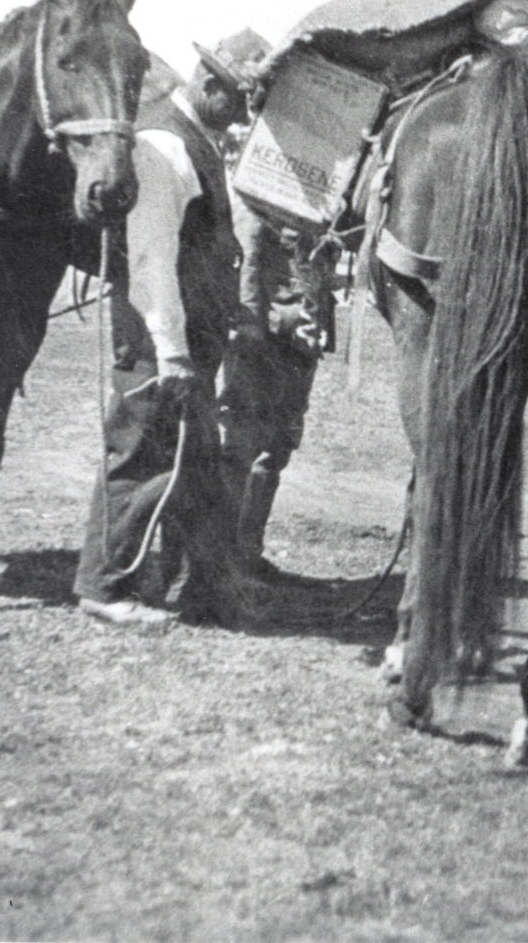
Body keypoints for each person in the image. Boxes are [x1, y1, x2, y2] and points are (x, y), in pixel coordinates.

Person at [75, 30, 268, 623]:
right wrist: (171, 353)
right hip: (160, 341)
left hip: (189, 339)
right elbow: (151, 258)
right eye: (236, 101)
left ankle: (206, 586)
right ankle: (102, 590)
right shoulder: (164, 143)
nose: (241, 117)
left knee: (192, 459)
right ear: (209, 84)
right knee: (139, 456)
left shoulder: (196, 138)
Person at [217, 188, 339, 566]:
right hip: (263, 337)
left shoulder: (326, 196)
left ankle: (247, 551)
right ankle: (222, 555)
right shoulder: (264, 189)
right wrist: (249, 326)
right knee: (242, 441)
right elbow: (248, 256)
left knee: (279, 444)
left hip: (302, 339)